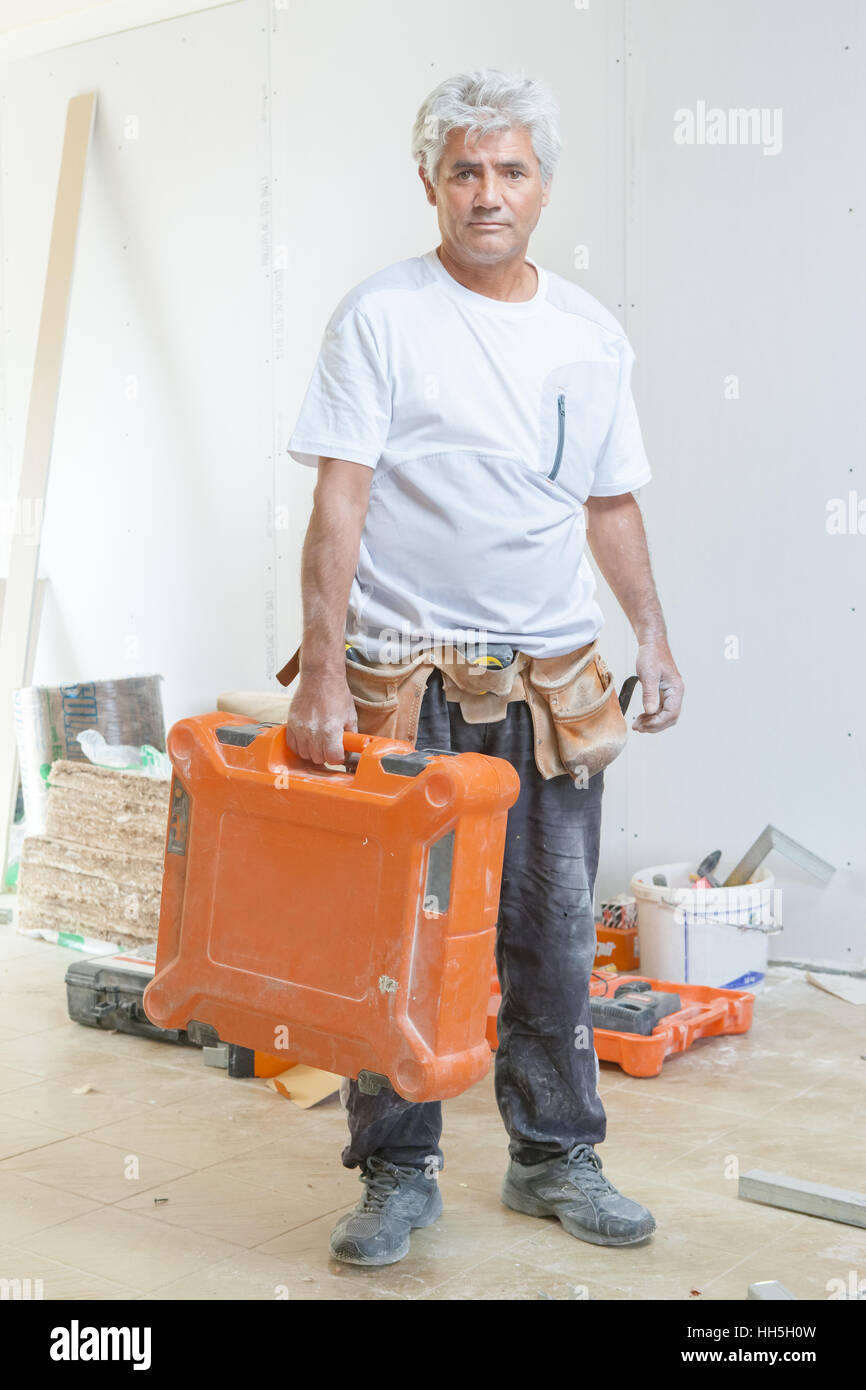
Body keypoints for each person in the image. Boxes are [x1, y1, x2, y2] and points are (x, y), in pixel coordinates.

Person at [284, 68, 684, 1267]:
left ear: (543, 187)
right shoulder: (379, 316)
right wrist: (315, 671)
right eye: (464, 169)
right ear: (429, 184)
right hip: (399, 681)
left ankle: (553, 1156)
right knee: (394, 936)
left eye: (510, 169)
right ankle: (396, 1172)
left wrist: (652, 634)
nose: (487, 192)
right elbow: (337, 503)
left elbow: (608, 501)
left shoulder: (586, 333)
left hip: (551, 681)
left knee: (552, 932)